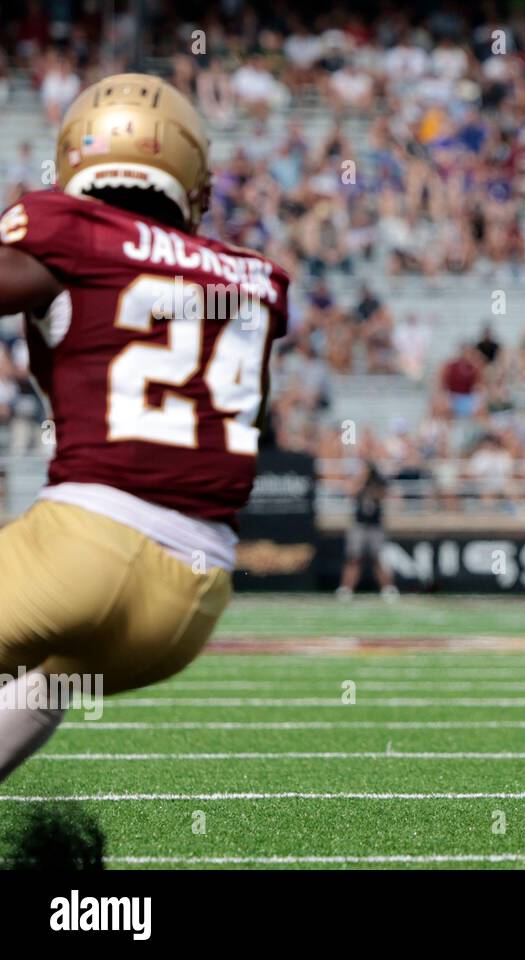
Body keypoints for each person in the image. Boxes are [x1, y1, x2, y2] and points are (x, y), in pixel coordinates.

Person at [0, 75, 290, 782]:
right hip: (189, 604)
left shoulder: (67, 228)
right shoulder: (252, 276)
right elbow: (250, 413)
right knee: (49, 682)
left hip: (85, 544)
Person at [336, 463, 398, 601]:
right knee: (353, 558)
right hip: (359, 524)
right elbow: (350, 491)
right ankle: (346, 588)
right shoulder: (359, 481)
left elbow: (383, 494)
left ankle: (388, 588)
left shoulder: (378, 481)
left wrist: (372, 484)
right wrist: (361, 479)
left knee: (378, 558)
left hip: (375, 525)